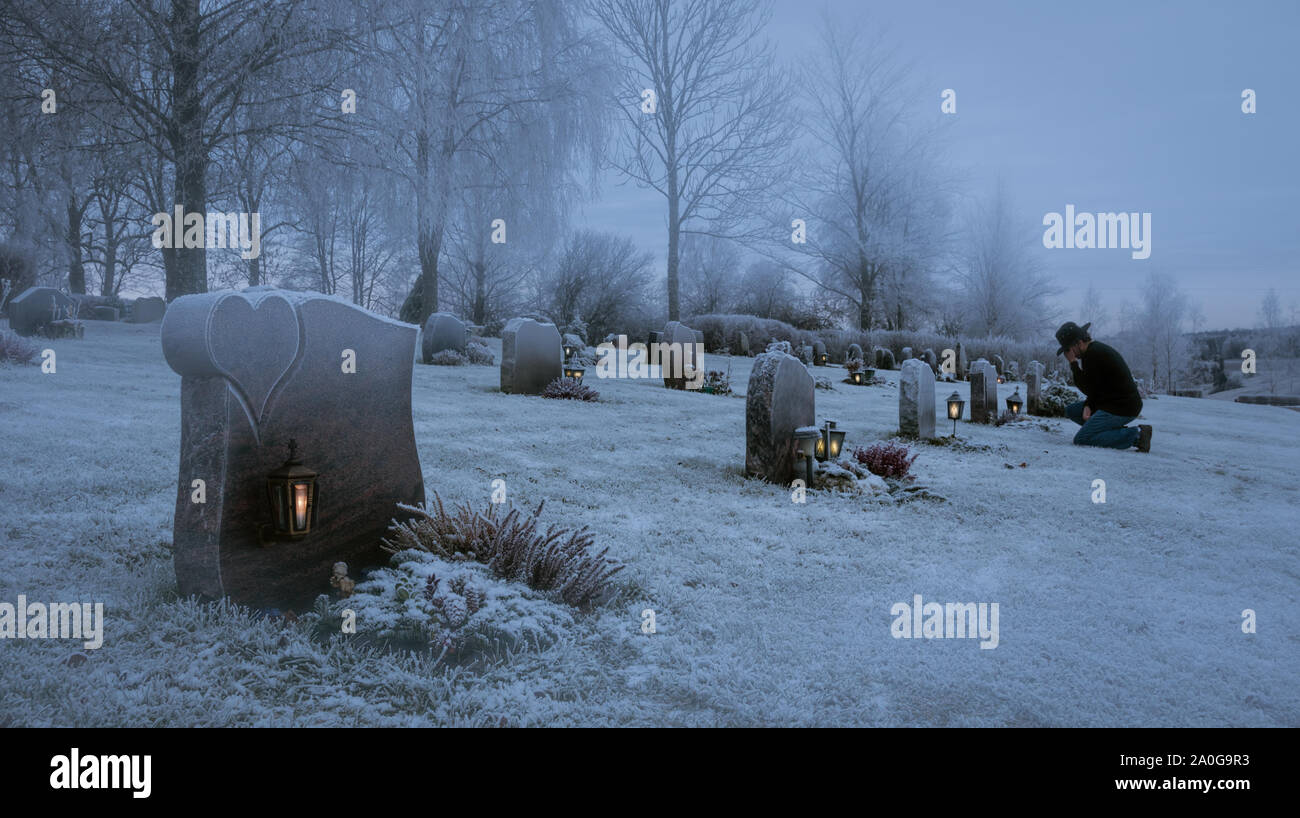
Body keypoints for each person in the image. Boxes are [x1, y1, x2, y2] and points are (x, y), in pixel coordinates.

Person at [1055, 321, 1152, 452]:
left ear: (1078, 343)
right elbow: (1097, 387)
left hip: (1122, 407)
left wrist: (1073, 363)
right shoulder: (1092, 351)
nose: (1069, 354)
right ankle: (1111, 433)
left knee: (1082, 439)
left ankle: (1138, 435)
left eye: (1068, 349)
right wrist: (1089, 405)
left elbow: (1087, 387)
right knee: (1072, 411)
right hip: (1110, 402)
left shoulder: (1093, 354)